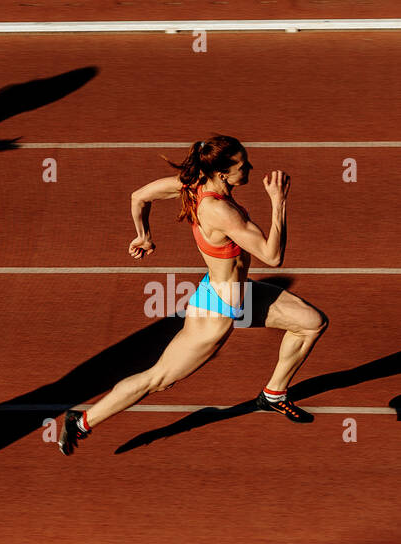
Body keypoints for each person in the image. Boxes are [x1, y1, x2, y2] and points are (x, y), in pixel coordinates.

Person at [59, 135, 327, 455]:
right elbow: (272, 257)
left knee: (311, 322)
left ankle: (274, 394)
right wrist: (278, 202)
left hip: (239, 292)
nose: (251, 168)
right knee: (158, 378)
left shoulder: (190, 184)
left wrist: (144, 236)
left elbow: (139, 196)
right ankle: (82, 421)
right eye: (243, 165)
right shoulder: (221, 210)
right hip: (216, 310)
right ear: (223, 174)